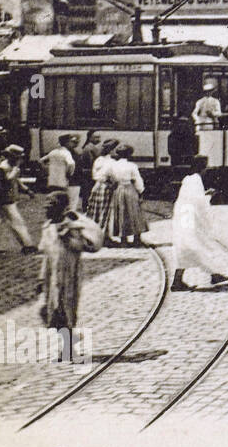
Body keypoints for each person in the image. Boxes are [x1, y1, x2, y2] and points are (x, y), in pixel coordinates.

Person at [38, 193, 102, 349]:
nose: (47, 208)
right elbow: (46, 256)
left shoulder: (72, 226)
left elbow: (88, 246)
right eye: (46, 205)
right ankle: (70, 340)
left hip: (70, 275)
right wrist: (40, 279)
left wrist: (69, 236)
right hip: (51, 277)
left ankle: (69, 347)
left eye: (51, 204)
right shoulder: (47, 228)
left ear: (62, 208)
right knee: (49, 311)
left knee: (67, 309)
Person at [170, 155, 228, 290]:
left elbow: (190, 198)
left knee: (186, 246)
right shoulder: (196, 180)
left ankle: (179, 280)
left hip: (183, 215)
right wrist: (209, 196)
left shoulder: (188, 179)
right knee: (195, 244)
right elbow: (198, 202)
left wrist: (204, 195)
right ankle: (213, 274)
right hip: (190, 217)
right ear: (203, 167)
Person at [106, 144, 147, 246]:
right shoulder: (132, 166)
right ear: (129, 155)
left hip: (118, 189)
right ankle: (136, 239)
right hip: (129, 189)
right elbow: (137, 180)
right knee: (134, 212)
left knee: (121, 213)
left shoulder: (112, 165)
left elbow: (108, 178)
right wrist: (140, 190)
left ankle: (123, 239)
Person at [85, 139, 119, 230]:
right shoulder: (112, 163)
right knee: (105, 211)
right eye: (115, 149)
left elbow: (94, 175)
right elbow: (114, 177)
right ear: (111, 150)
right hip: (106, 187)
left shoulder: (98, 160)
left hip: (97, 186)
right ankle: (104, 235)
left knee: (95, 211)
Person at [42, 135, 77, 206]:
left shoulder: (53, 152)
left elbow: (41, 161)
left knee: (53, 200)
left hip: (52, 180)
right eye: (70, 142)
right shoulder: (66, 153)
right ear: (67, 143)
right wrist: (69, 173)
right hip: (62, 181)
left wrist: (47, 170)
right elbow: (71, 164)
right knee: (62, 201)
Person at [77, 131, 102, 208]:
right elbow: (92, 163)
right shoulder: (90, 148)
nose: (98, 139)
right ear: (90, 138)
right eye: (96, 137)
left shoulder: (90, 147)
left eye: (99, 137)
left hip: (88, 174)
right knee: (88, 193)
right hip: (89, 175)